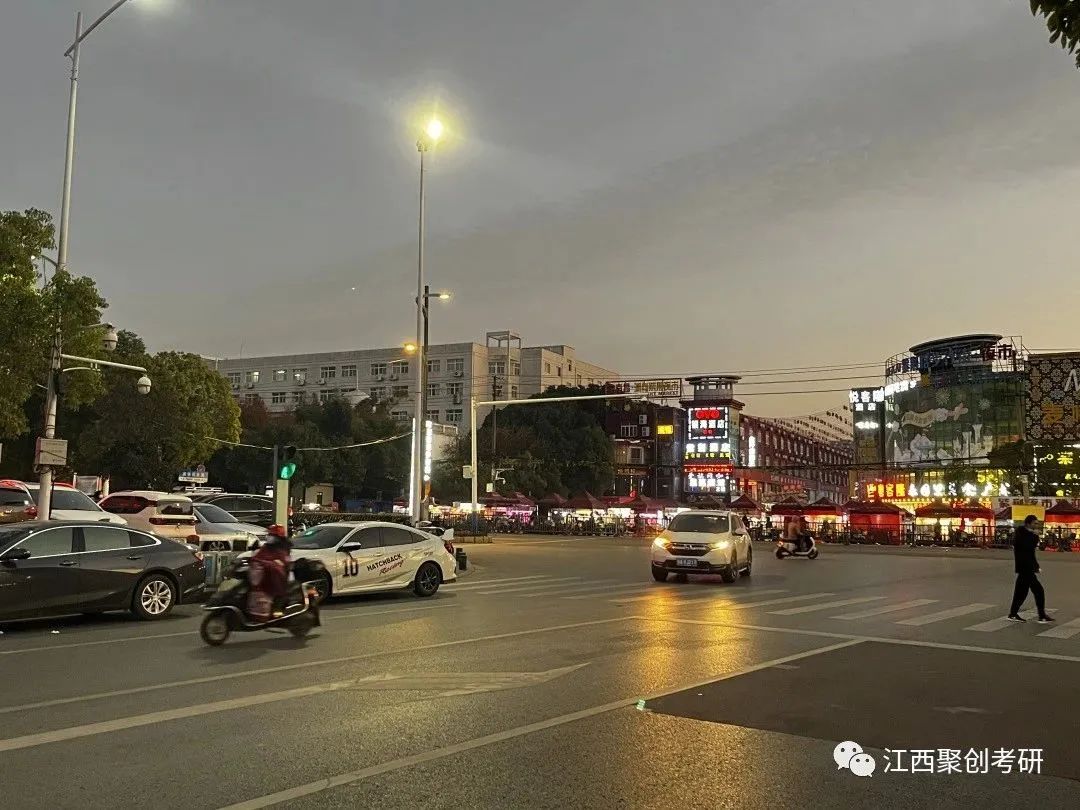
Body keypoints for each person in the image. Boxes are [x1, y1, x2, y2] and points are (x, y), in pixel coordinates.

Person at [1008, 515, 1054, 623]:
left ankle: (1014, 614)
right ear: (1028, 523)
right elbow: (1027, 547)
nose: (1036, 525)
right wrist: (1035, 536)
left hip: (1028, 567)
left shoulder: (1028, 534)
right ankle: (1040, 616)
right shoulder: (1021, 533)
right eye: (1035, 523)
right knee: (1035, 591)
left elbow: (1031, 553)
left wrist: (1036, 566)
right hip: (1024, 567)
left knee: (1023, 591)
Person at [247, 524, 292, 622]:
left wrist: (267, 563)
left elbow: (281, 563)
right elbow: (259, 556)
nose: (269, 537)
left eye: (272, 535)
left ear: (278, 537)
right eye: (269, 535)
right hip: (263, 575)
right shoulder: (267, 546)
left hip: (277, 578)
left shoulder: (283, 549)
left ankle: (274, 612)